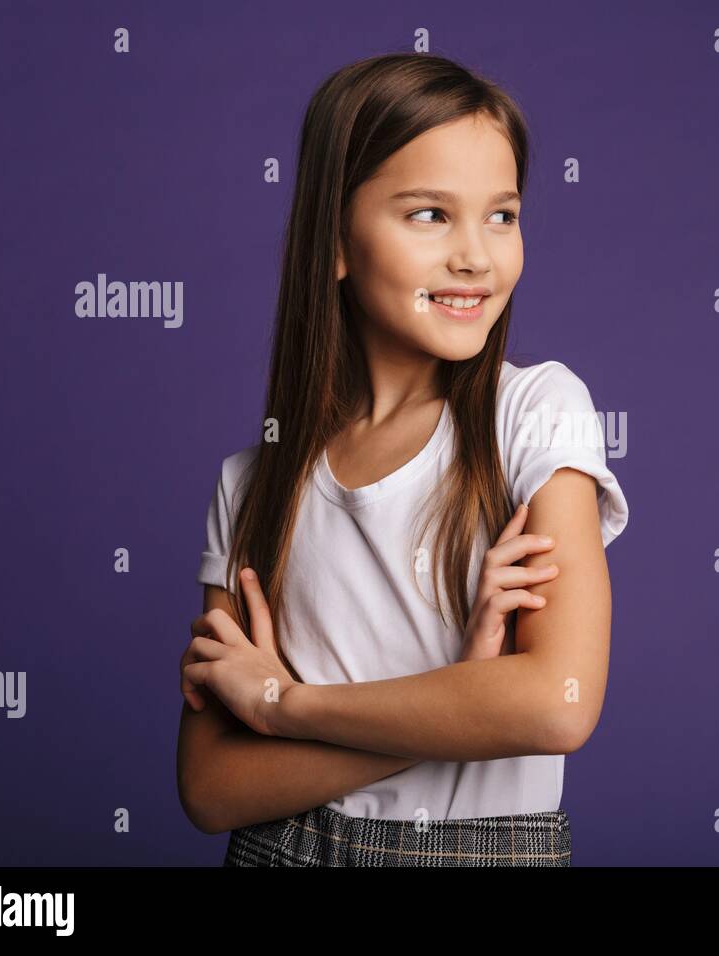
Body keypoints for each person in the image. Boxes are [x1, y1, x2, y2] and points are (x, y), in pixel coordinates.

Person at [174, 52, 629, 866]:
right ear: (336, 243)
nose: (475, 257)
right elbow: (211, 789)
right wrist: (463, 691)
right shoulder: (251, 485)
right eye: (428, 214)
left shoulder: (533, 413)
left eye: (502, 215)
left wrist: (283, 704)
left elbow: (555, 705)